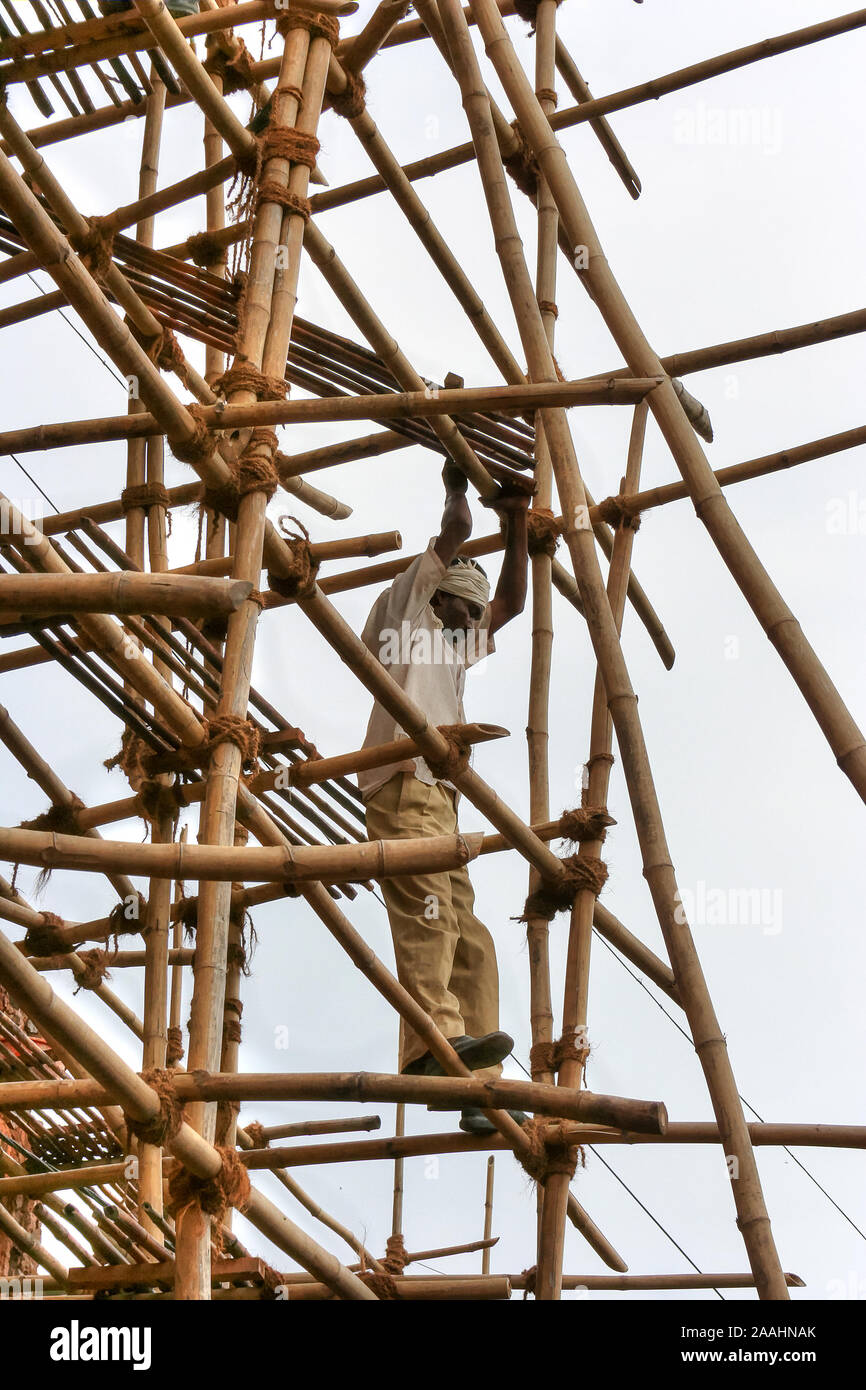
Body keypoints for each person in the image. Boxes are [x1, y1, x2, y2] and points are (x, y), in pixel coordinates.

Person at [360, 463, 531, 1134]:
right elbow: (455, 529)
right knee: (429, 917)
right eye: (469, 611)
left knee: (472, 940)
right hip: (403, 784)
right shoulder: (412, 610)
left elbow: (511, 604)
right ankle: (431, 1048)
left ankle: (476, 1082)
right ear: (447, 597)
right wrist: (459, 486)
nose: (476, 627)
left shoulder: (453, 644)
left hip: (438, 796)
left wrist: (517, 522)